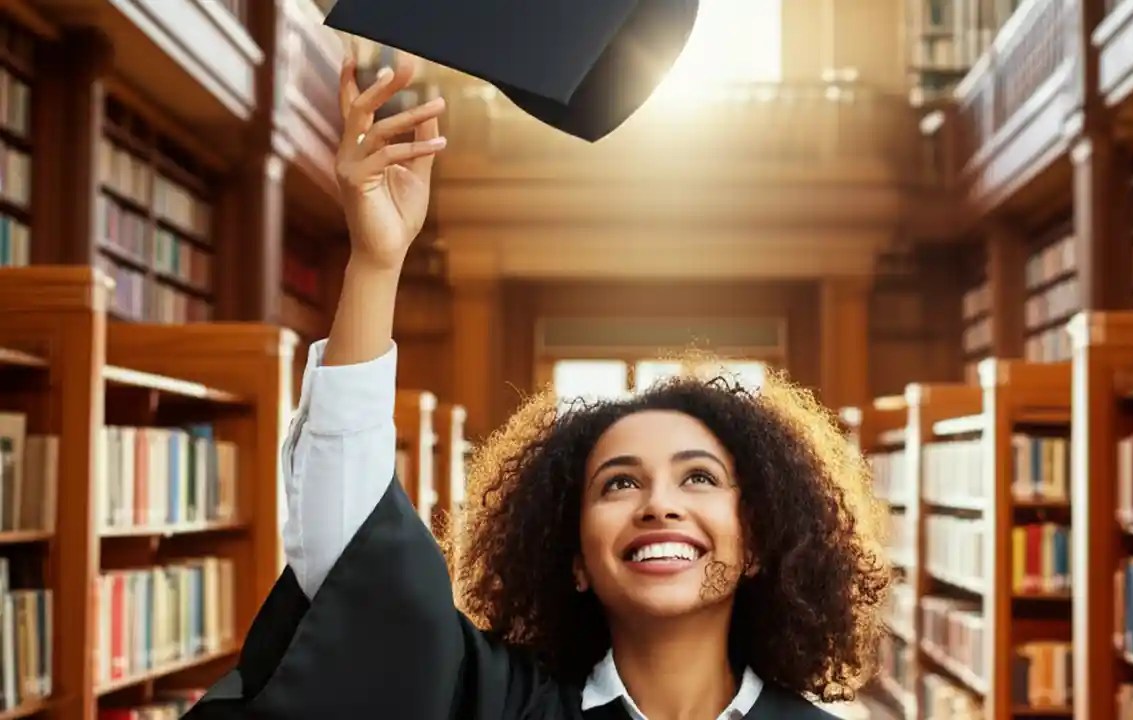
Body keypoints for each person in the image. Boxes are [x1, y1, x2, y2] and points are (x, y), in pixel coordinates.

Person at [184, 51, 891, 720]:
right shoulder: (495, 703)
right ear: (575, 559)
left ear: (757, 541)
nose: (659, 504)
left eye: (699, 477)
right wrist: (376, 262)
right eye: (618, 483)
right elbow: (357, 563)